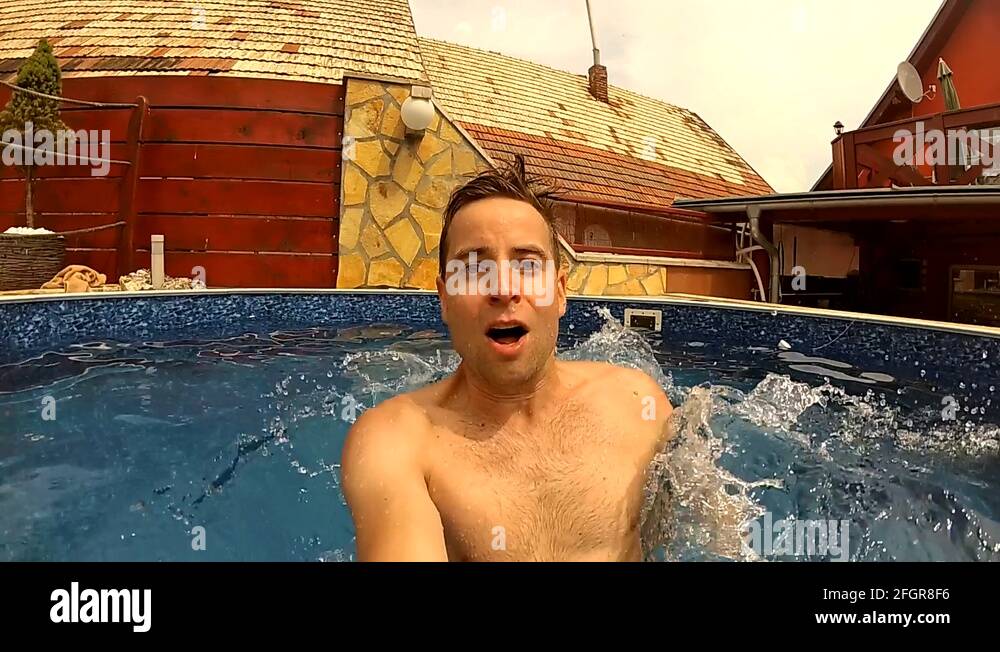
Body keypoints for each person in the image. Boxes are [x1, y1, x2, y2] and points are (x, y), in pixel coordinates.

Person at [341, 156, 674, 561]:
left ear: (560, 290)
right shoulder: (395, 440)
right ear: (444, 298)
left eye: (527, 265)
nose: (502, 288)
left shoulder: (638, 406)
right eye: (474, 268)